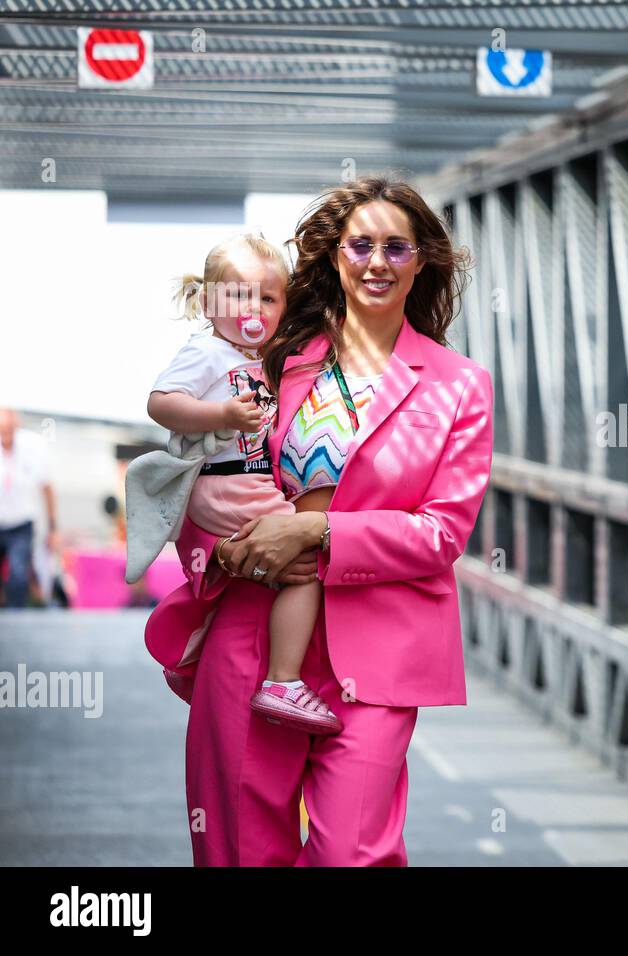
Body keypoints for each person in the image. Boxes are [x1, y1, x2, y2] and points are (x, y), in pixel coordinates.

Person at [143, 176, 494, 865]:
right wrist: (216, 550)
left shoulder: (459, 385)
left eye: (397, 247)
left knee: (352, 855)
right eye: (360, 244)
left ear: (421, 258)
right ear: (335, 255)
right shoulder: (276, 357)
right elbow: (200, 466)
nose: (377, 261)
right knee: (239, 849)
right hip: (249, 631)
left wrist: (316, 532)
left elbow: (442, 535)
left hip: (379, 654)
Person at [142, 233, 342, 734]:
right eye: (237, 295)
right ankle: (283, 681)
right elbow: (160, 402)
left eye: (268, 298)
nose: (252, 308)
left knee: (293, 559)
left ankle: (201, 652)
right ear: (209, 302)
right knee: (307, 555)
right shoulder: (207, 351)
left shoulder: (261, 357)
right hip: (224, 481)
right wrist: (220, 413)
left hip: (243, 482)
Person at [0, 407, 57, 609]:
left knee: (18, 573)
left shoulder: (32, 447)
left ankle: (16, 616)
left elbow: (47, 489)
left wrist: (52, 528)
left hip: (21, 524)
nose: (5, 436)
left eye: (8, 430)